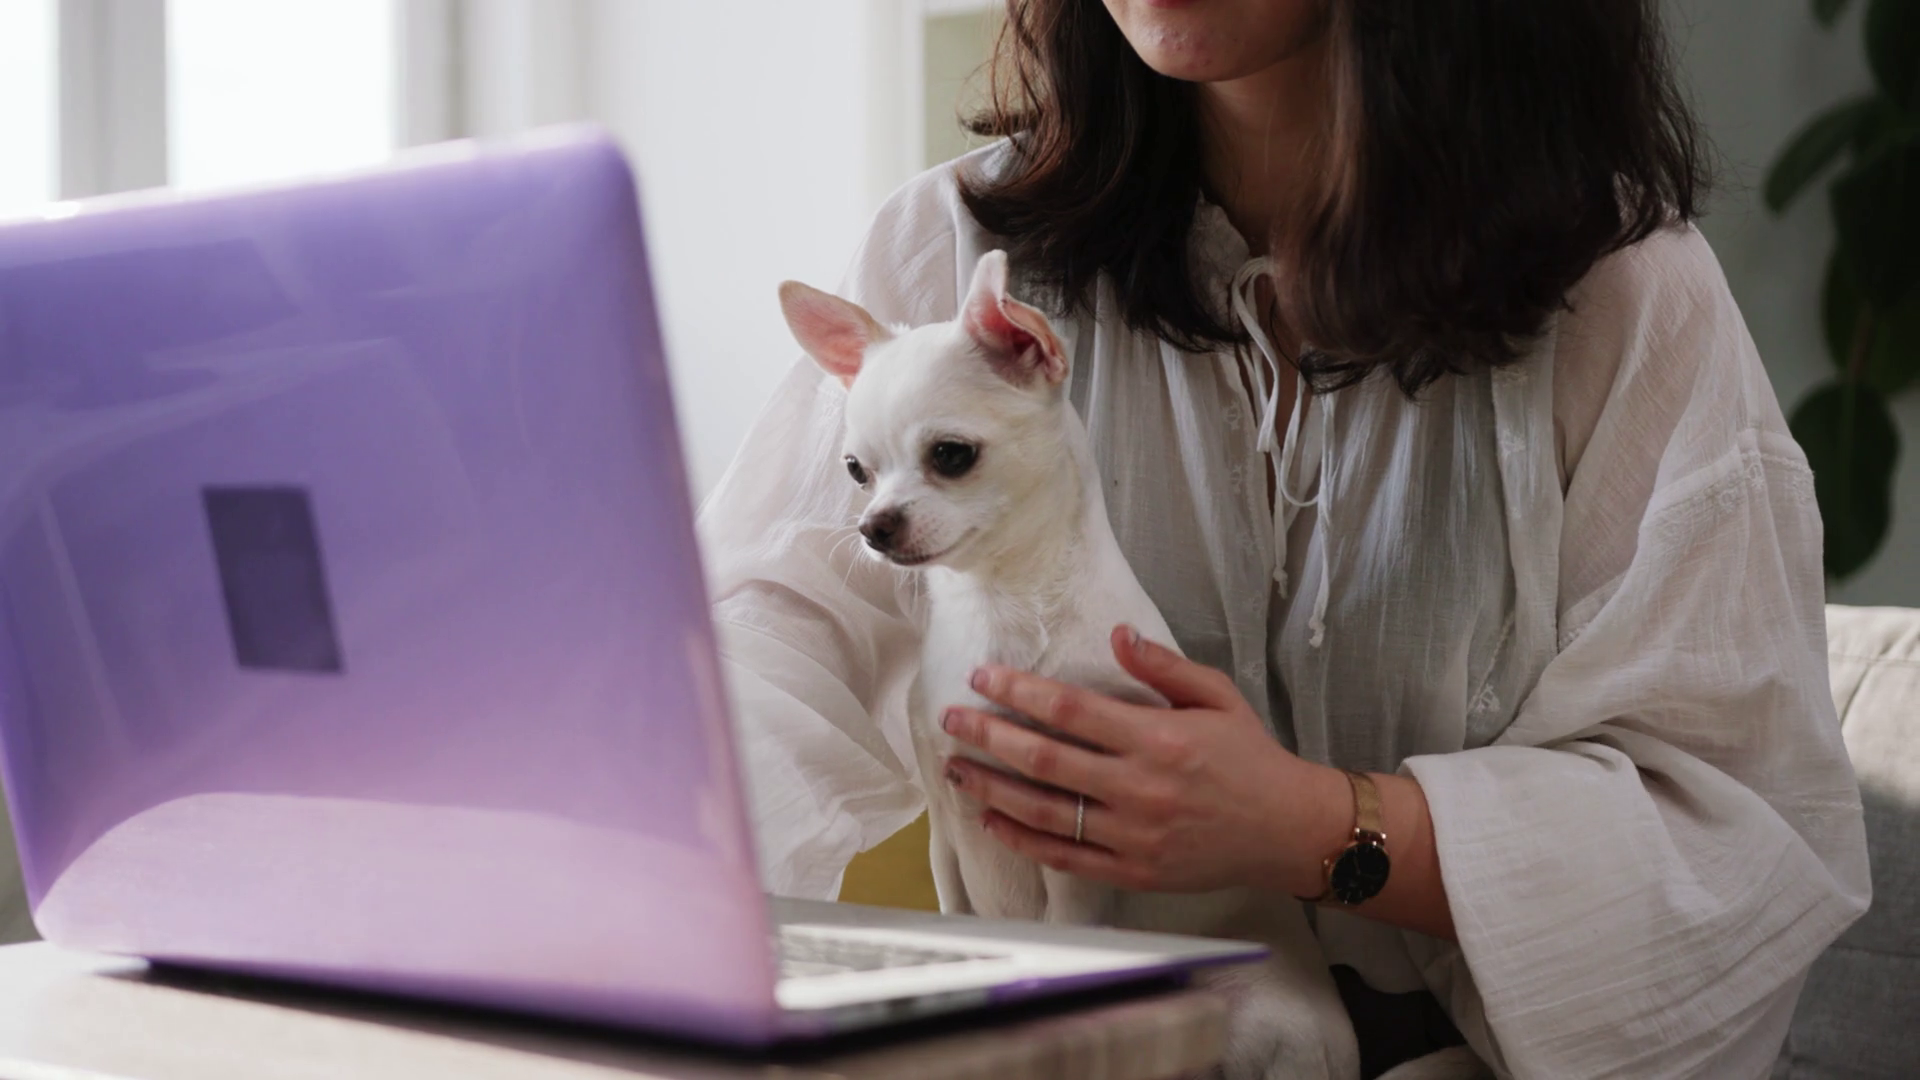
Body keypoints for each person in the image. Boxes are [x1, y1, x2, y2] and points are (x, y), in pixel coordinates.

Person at [698, 1, 1872, 1076]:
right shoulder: (945, 251)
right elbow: (766, 649)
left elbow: (1740, 840)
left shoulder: (1623, 292)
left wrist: (1316, 826)